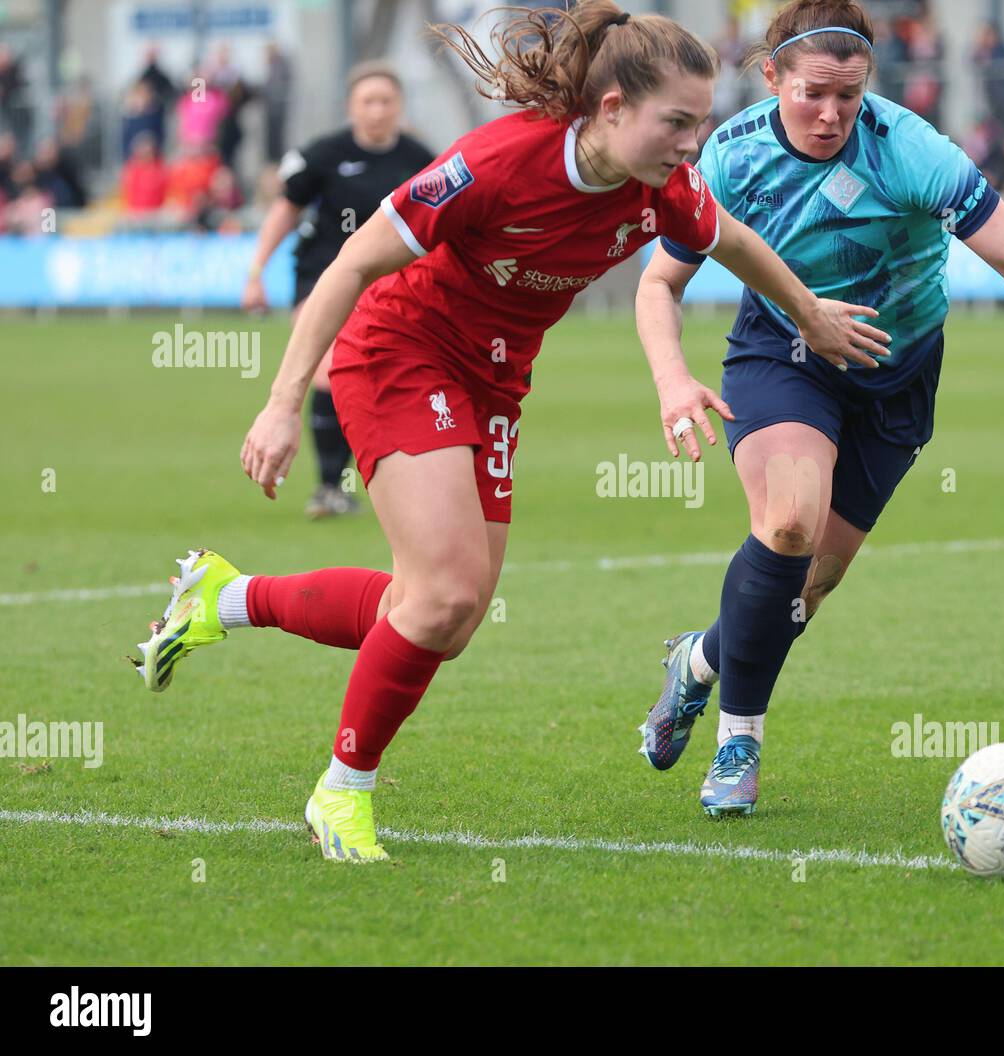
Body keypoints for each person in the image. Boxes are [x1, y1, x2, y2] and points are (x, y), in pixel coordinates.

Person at [128, 1, 882, 863]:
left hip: (493, 381)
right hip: (400, 352)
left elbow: (734, 241)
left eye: (700, 122)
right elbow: (354, 262)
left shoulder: (665, 186)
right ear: (610, 110)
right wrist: (282, 400)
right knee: (443, 595)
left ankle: (222, 598)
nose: (691, 141)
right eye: (676, 121)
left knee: (443, 616)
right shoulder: (495, 164)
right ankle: (342, 793)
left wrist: (811, 314)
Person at [635, 0, 1004, 817]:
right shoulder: (728, 156)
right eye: (812, 93)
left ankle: (697, 663)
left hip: (900, 376)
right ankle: (741, 741)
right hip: (784, 358)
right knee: (790, 523)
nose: (832, 113)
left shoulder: (909, 149)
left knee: (805, 589)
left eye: (850, 93)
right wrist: (671, 380)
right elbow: (660, 281)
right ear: (771, 77)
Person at [242, 62, 435, 518]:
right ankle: (329, 486)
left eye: (386, 100)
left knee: (385, 380)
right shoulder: (323, 155)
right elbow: (285, 211)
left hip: (394, 285)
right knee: (328, 370)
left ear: (399, 106)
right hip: (321, 275)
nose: (377, 109)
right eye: (368, 101)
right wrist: (256, 272)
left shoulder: (420, 159)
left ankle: (387, 479)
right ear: (351, 107)